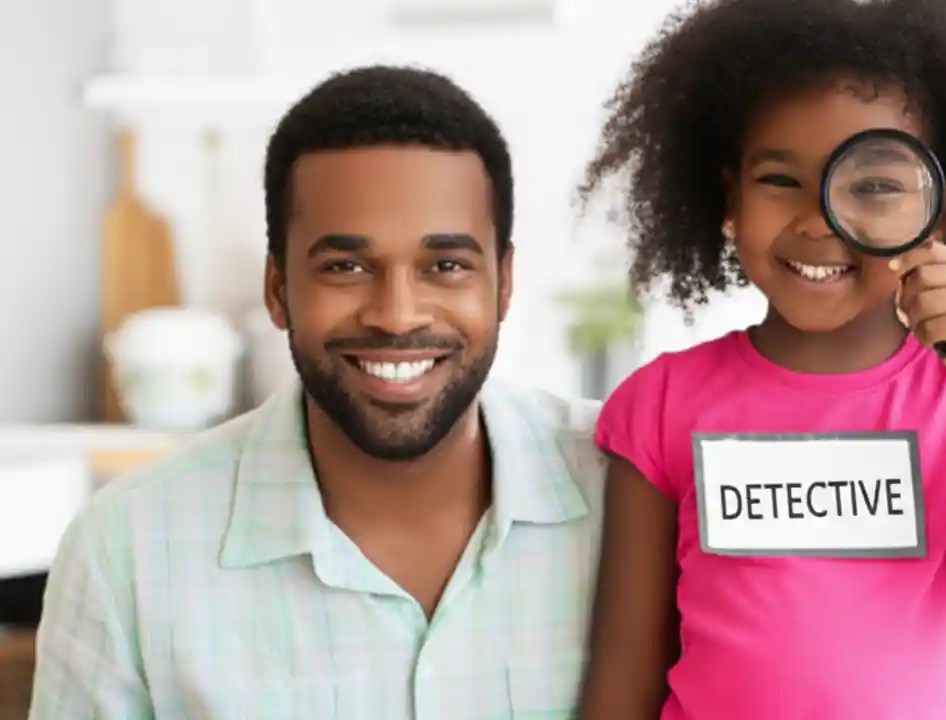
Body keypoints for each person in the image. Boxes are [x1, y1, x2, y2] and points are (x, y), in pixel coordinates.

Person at [575, 0, 946, 718]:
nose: (817, 221)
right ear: (729, 197)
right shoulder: (661, 404)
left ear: (941, 211)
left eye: (873, 186)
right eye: (779, 181)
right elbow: (627, 668)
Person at [29, 65, 603, 719]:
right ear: (277, 290)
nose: (397, 314)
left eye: (445, 265)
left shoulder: (633, 496)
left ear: (503, 283)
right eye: (346, 267)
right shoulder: (125, 551)